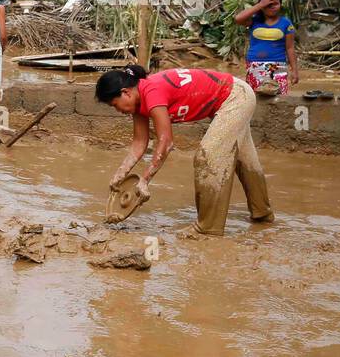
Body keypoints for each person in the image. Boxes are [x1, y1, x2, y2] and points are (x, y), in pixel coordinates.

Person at [95, 65, 272, 236]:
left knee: (208, 157)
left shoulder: (151, 92)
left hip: (235, 96)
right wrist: (121, 172)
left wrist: (145, 180)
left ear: (125, 92)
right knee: (245, 159)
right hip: (235, 94)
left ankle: (208, 229)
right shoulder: (138, 100)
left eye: (115, 105)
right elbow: (140, 143)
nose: (117, 110)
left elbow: (166, 142)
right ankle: (262, 213)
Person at [235, 0, 298, 96]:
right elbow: (238, 19)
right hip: (255, 66)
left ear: (280, 5)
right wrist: (259, 5)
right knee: (254, 97)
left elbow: (290, 48)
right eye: (268, 4)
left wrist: (294, 70)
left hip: (278, 66)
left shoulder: (286, 23)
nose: (272, 7)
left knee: (279, 98)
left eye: (275, 4)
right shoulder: (254, 21)